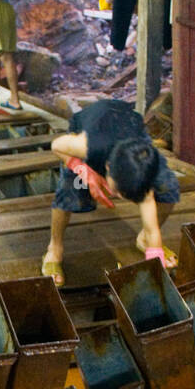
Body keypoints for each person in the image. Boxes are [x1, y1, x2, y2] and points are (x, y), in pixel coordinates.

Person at [42, 99, 180, 286]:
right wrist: (84, 171)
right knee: (69, 191)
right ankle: (54, 248)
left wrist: (156, 258)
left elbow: (152, 224)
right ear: (107, 167)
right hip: (91, 128)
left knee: (168, 186)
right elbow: (56, 146)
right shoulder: (87, 146)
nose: (120, 197)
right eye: (119, 191)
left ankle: (143, 240)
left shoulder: (145, 163)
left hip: (129, 126)